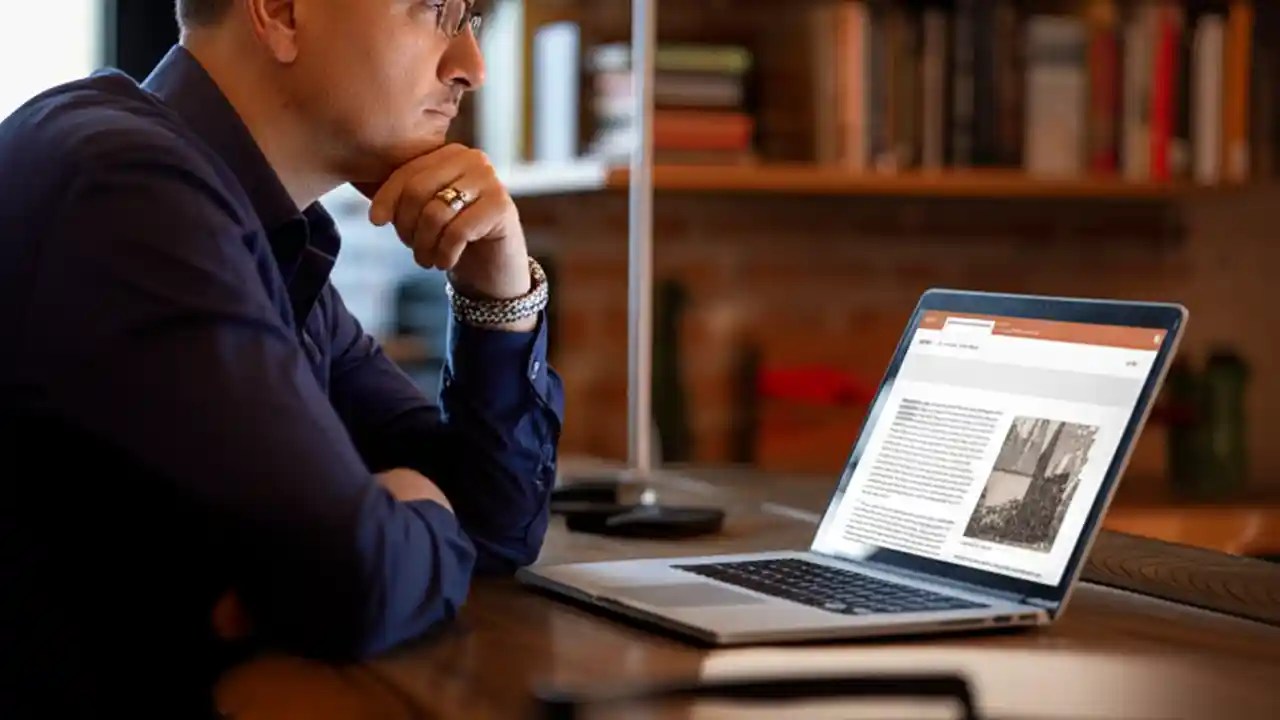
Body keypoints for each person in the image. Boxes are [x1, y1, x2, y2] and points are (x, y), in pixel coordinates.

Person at [0, 0, 563, 716]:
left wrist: (498, 286)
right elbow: (349, 579)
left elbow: (494, 522)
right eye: (437, 11)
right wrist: (412, 505)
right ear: (281, 12)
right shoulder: (129, 189)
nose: (470, 69)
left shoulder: (254, 230)